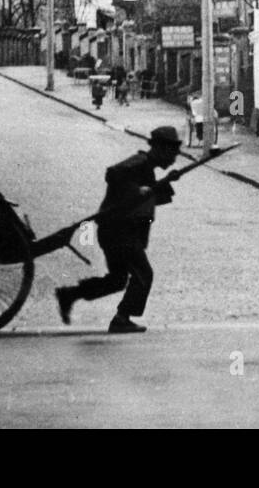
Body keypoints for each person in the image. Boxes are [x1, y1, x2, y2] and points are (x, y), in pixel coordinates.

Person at [55, 126, 183, 334]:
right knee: (143, 273)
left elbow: (148, 196)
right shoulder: (140, 162)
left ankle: (70, 294)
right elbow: (114, 174)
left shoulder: (147, 169)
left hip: (116, 229)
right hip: (118, 229)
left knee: (117, 280)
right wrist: (138, 190)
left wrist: (166, 182)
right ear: (159, 149)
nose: (174, 158)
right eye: (171, 153)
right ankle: (121, 319)